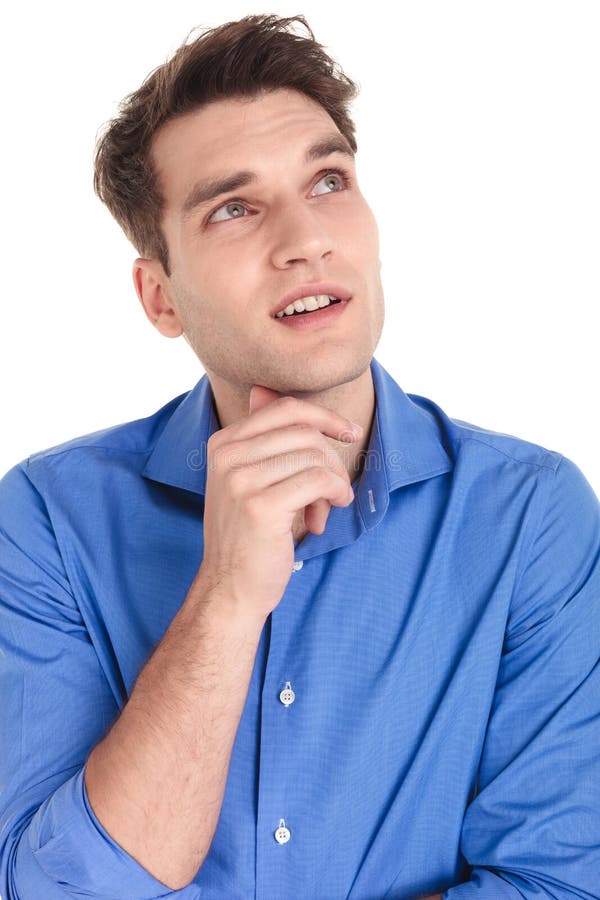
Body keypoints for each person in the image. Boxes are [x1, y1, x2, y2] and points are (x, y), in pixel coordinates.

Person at [0, 13, 598, 900]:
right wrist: (227, 599)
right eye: (234, 208)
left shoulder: (527, 515)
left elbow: (556, 886)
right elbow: (52, 891)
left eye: (327, 181)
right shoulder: (47, 519)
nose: (304, 239)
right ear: (160, 298)